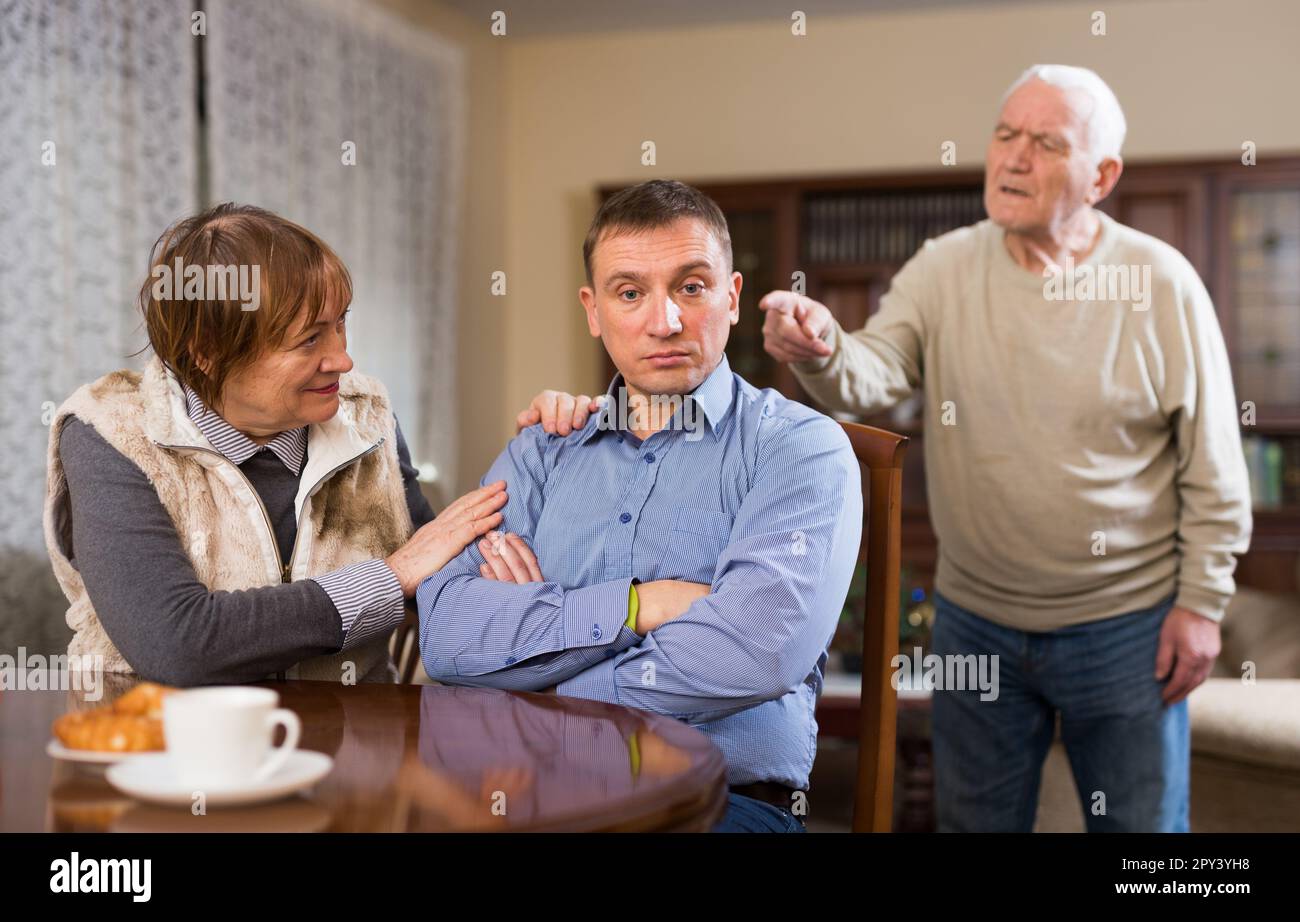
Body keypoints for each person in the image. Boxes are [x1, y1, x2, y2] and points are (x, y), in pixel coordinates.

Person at [758, 65, 1252, 831]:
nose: (1014, 158)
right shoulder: (944, 266)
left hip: (1127, 625)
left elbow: (1214, 461)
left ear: (1103, 176)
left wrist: (1202, 604)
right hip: (976, 619)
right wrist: (821, 349)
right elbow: (876, 377)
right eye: (1004, 134)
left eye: (1046, 143)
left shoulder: (1162, 284)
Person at [418, 180, 862, 832]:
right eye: (631, 293)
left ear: (732, 297)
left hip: (718, 800)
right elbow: (451, 636)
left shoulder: (799, 448)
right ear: (593, 310)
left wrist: (537, 680)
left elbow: (757, 650)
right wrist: (638, 606)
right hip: (524, 790)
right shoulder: (542, 449)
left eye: (691, 287)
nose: (666, 321)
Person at [44, 203, 514, 685]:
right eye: (310, 340)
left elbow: (435, 573)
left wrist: (555, 436)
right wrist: (390, 578)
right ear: (207, 351)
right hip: (163, 749)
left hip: (356, 744)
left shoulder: (370, 418)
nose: (342, 360)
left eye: (340, 323)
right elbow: (178, 643)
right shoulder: (111, 434)